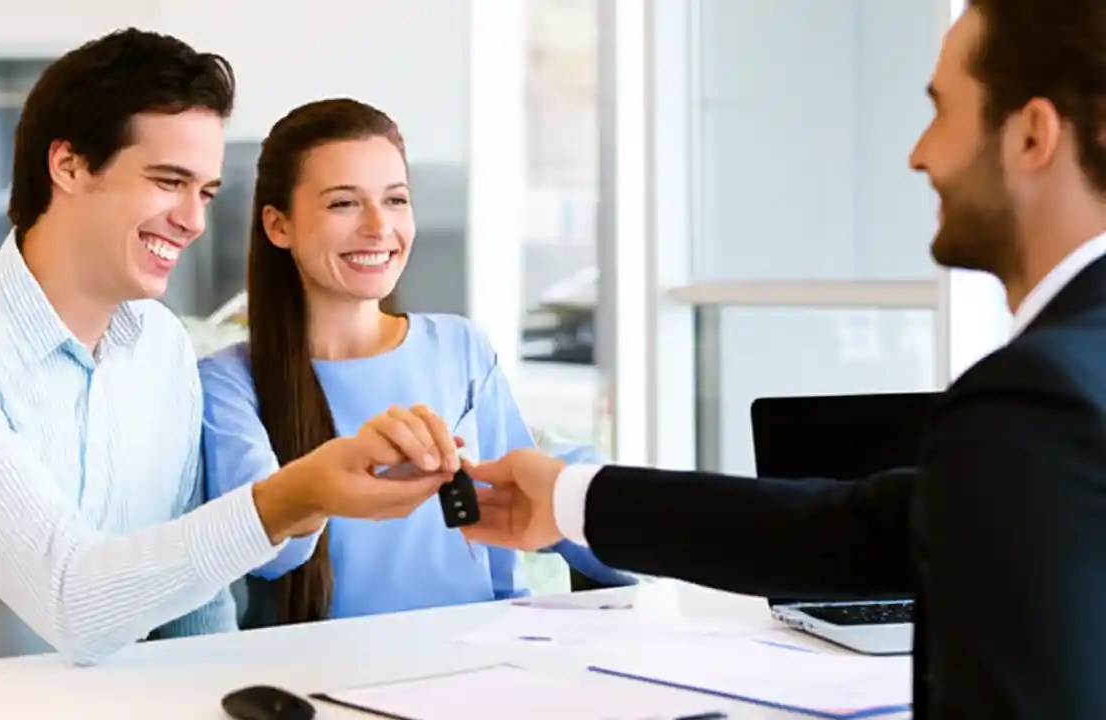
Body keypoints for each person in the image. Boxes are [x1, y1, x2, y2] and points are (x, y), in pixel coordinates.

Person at [462, 2, 1106, 718]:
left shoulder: (1039, 394)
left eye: (942, 110)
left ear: (1031, 134)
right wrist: (564, 498)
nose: (919, 153)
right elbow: (841, 533)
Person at [0, 30, 461, 675]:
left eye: (206, 192)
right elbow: (72, 601)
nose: (193, 220)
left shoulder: (161, 349)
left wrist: (231, 696)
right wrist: (290, 497)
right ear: (69, 166)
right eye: (169, 181)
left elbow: (195, 607)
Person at [200, 98, 628, 627]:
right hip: (326, 664)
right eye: (343, 203)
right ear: (278, 225)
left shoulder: (460, 347)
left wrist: (610, 509)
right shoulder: (227, 383)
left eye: (396, 199)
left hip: (486, 648)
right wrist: (324, 483)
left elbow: (532, 513)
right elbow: (265, 554)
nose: (379, 226)